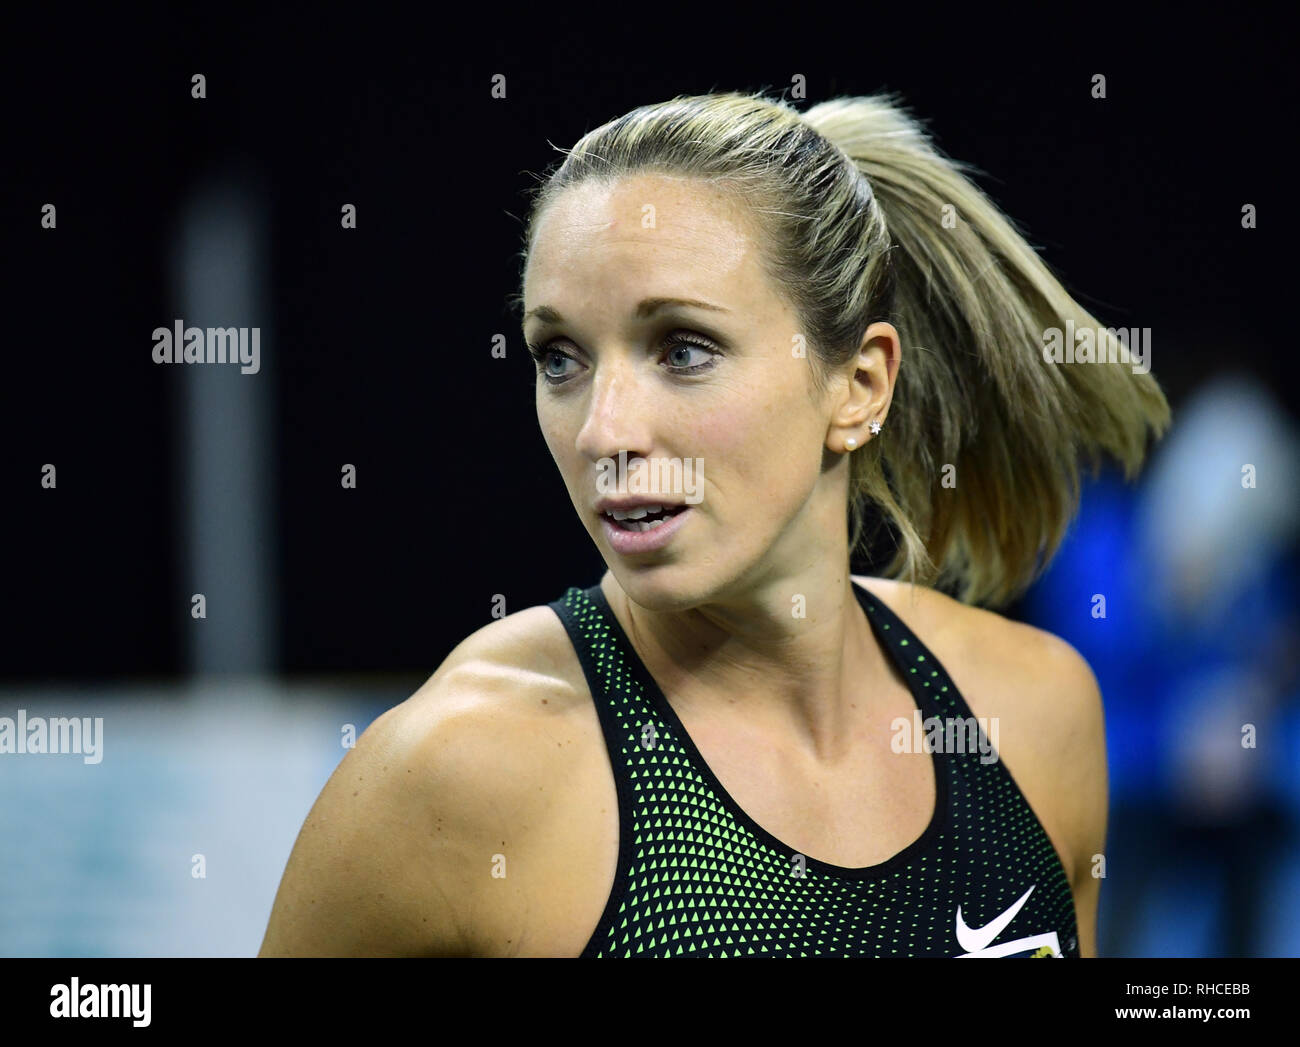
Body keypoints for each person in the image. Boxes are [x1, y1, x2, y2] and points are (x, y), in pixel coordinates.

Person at [258, 91, 1170, 958]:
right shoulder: (461, 770)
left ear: (859, 386)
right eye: (560, 357)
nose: (605, 429)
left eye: (682, 349)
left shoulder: (1030, 711)